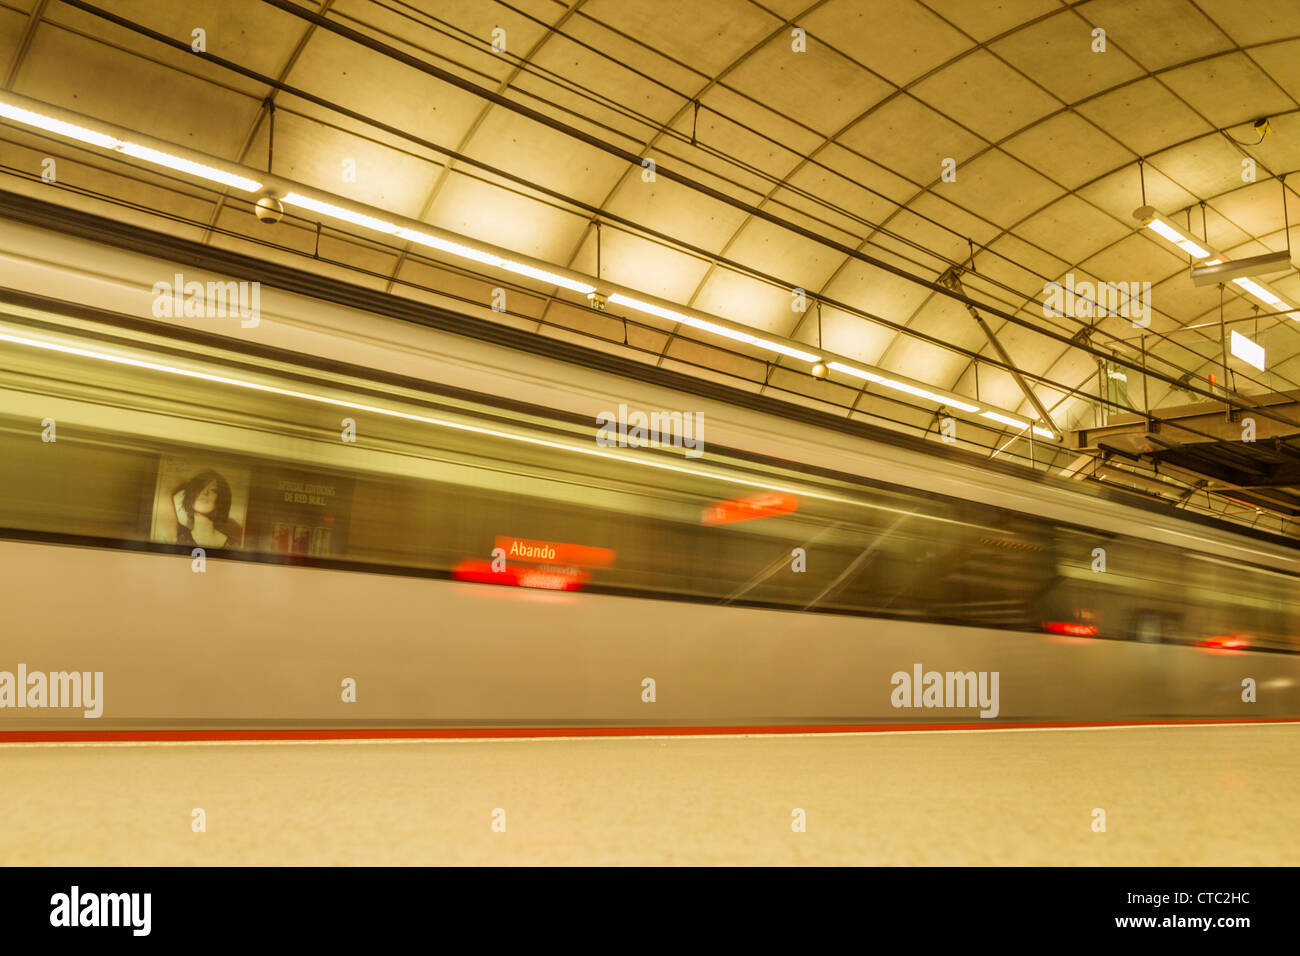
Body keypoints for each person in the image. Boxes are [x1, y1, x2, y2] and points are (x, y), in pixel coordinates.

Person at [156, 469, 242, 549]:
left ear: (220, 498)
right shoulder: (179, 536)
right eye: (200, 488)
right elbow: (165, 492)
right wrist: (192, 482)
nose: (205, 492)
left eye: (213, 490)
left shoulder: (231, 545)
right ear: (192, 494)